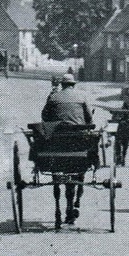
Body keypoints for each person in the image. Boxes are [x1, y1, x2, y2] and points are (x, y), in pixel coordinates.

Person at [41, 73, 92, 223]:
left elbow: (44, 116)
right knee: (78, 169)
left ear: (62, 85)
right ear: (73, 85)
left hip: (57, 142)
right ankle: (71, 208)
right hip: (77, 141)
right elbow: (89, 118)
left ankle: (59, 209)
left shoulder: (53, 97)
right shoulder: (82, 97)